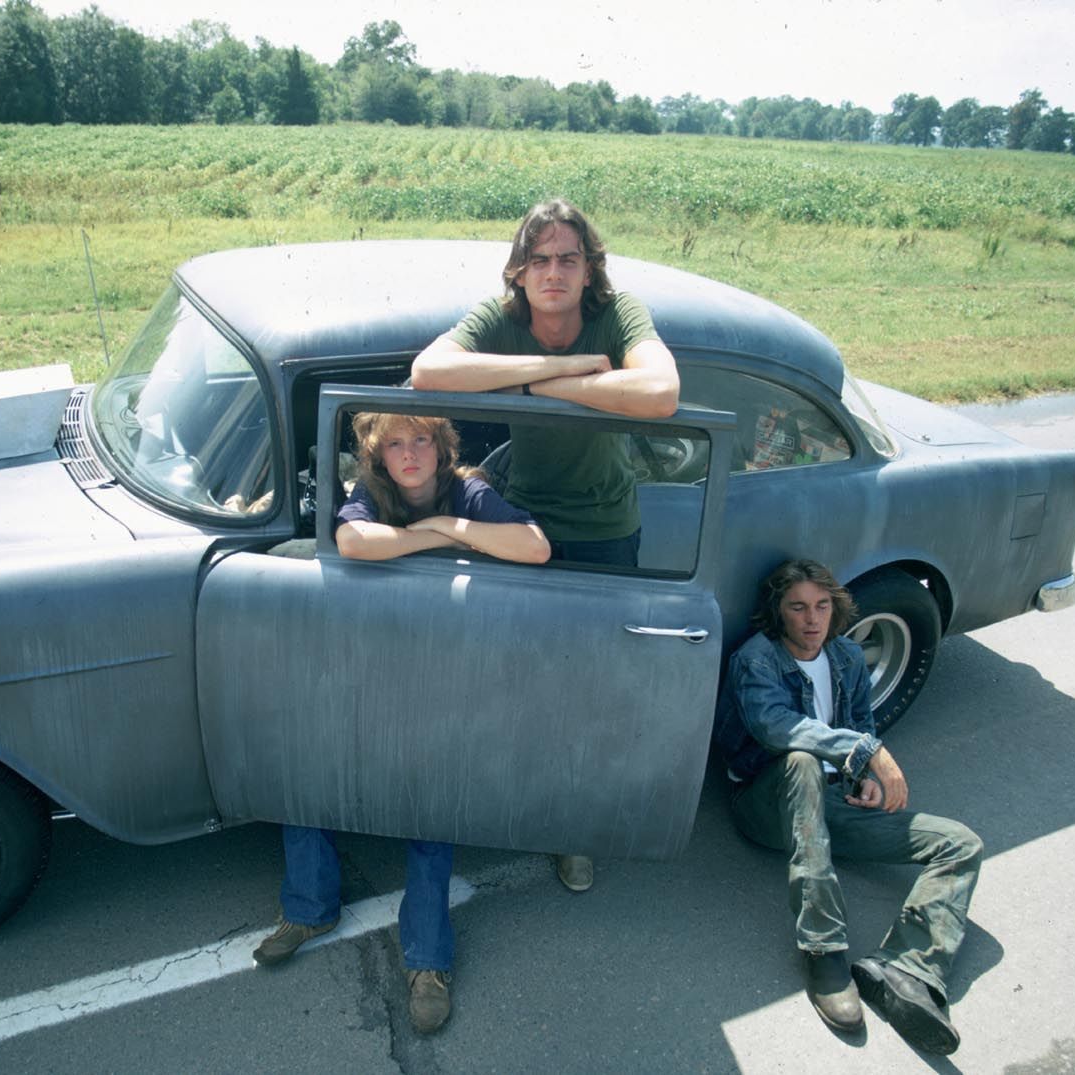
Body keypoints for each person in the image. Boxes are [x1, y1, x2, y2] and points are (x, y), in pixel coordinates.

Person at [411, 196, 678, 893]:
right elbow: (428, 374)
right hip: (521, 520)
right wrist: (545, 373)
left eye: (568, 258)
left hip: (604, 529)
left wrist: (565, 380)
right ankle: (507, 801)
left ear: (589, 269)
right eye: (540, 259)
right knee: (515, 674)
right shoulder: (501, 319)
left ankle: (572, 829)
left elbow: (660, 392)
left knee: (590, 685)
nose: (554, 271)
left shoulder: (618, 315)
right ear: (519, 271)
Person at [253, 411, 549, 1035]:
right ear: (376, 454)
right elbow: (356, 543)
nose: (409, 454)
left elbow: (534, 546)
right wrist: (444, 538)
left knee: (428, 803)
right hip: (368, 663)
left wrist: (447, 521)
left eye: (421, 440)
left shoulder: (467, 490)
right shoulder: (370, 495)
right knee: (306, 772)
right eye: (395, 444)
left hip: (442, 670)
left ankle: (427, 961)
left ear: (440, 449)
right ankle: (310, 909)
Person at [713, 559, 982, 1054]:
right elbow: (775, 726)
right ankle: (824, 950)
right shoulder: (757, 659)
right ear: (779, 613)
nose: (811, 619)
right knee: (802, 762)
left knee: (961, 844)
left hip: (833, 802)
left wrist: (865, 779)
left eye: (821, 606)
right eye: (797, 608)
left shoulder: (845, 657)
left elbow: (861, 726)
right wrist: (867, 755)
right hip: (766, 801)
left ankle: (907, 970)